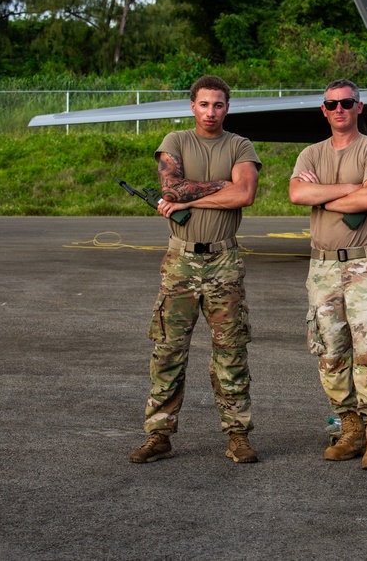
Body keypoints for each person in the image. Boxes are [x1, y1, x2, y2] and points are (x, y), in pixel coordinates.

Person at [129, 74, 262, 465]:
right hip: (181, 262)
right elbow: (171, 190)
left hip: (224, 261)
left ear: (227, 107)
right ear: (192, 106)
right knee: (168, 350)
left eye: (218, 105)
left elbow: (245, 193)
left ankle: (238, 435)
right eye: (204, 104)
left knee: (231, 350)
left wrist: (192, 197)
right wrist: (221, 186)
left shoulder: (240, 145)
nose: (211, 112)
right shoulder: (175, 141)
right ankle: (159, 435)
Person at [288, 79, 367, 470]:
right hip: (322, 267)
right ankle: (351, 429)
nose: (339, 109)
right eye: (332, 104)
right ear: (324, 109)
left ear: (359, 107)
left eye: (347, 103)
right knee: (330, 351)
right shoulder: (310, 154)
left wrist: (324, 194)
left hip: (364, 264)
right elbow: (297, 194)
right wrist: (349, 188)